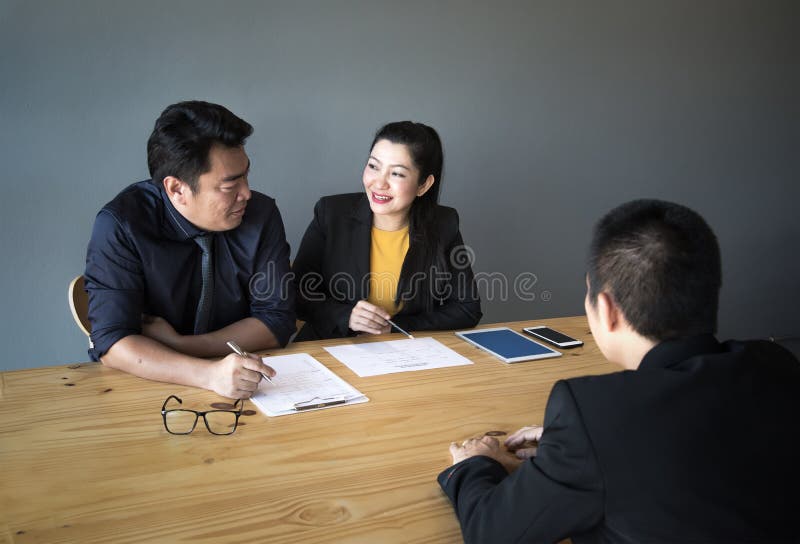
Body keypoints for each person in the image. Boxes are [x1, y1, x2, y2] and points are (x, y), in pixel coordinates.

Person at [438, 199, 800, 543]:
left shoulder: (592, 413)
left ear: (606, 309)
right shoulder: (776, 363)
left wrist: (475, 465)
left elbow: (491, 532)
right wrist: (570, 446)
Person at [84, 101, 295, 399]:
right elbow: (113, 341)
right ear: (176, 189)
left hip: (245, 381)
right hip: (145, 388)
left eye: (246, 175)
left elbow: (276, 321)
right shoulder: (122, 224)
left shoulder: (261, 215)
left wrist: (185, 345)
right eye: (229, 185)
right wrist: (208, 374)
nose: (246, 193)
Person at [292, 121, 482, 340]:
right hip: (330, 346)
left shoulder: (443, 224)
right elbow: (296, 293)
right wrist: (346, 316)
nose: (379, 183)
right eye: (373, 166)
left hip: (400, 355)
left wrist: (396, 326)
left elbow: (467, 308)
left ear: (424, 185)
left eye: (397, 174)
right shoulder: (331, 213)